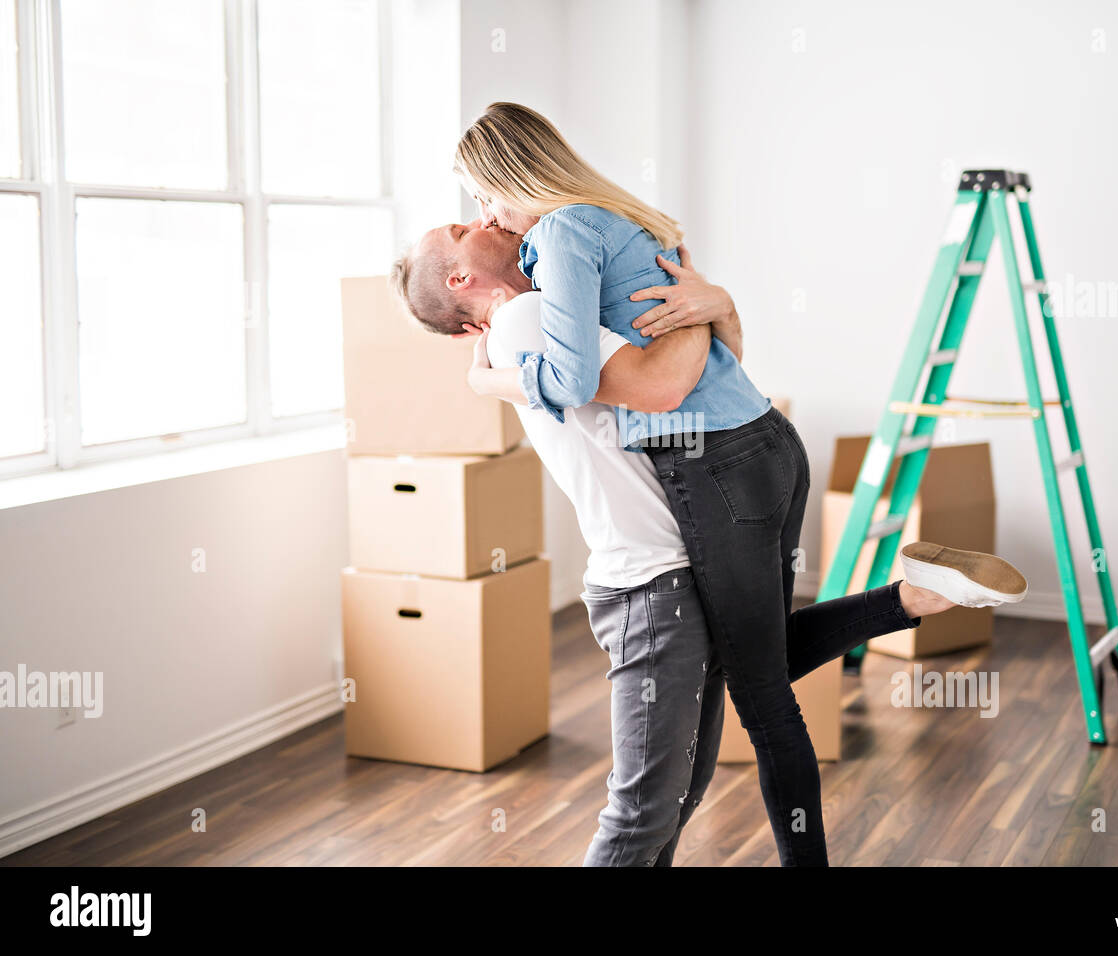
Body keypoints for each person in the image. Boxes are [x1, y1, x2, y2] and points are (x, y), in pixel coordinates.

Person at [398, 102, 1028, 866]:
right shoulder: (545, 296)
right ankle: (911, 598)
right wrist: (715, 307)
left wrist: (495, 386)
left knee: (755, 700)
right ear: (464, 280)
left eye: (479, 199)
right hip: (753, 454)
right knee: (751, 669)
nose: (485, 215)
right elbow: (688, 364)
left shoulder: (548, 278)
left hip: (705, 487)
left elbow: (661, 387)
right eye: (466, 220)